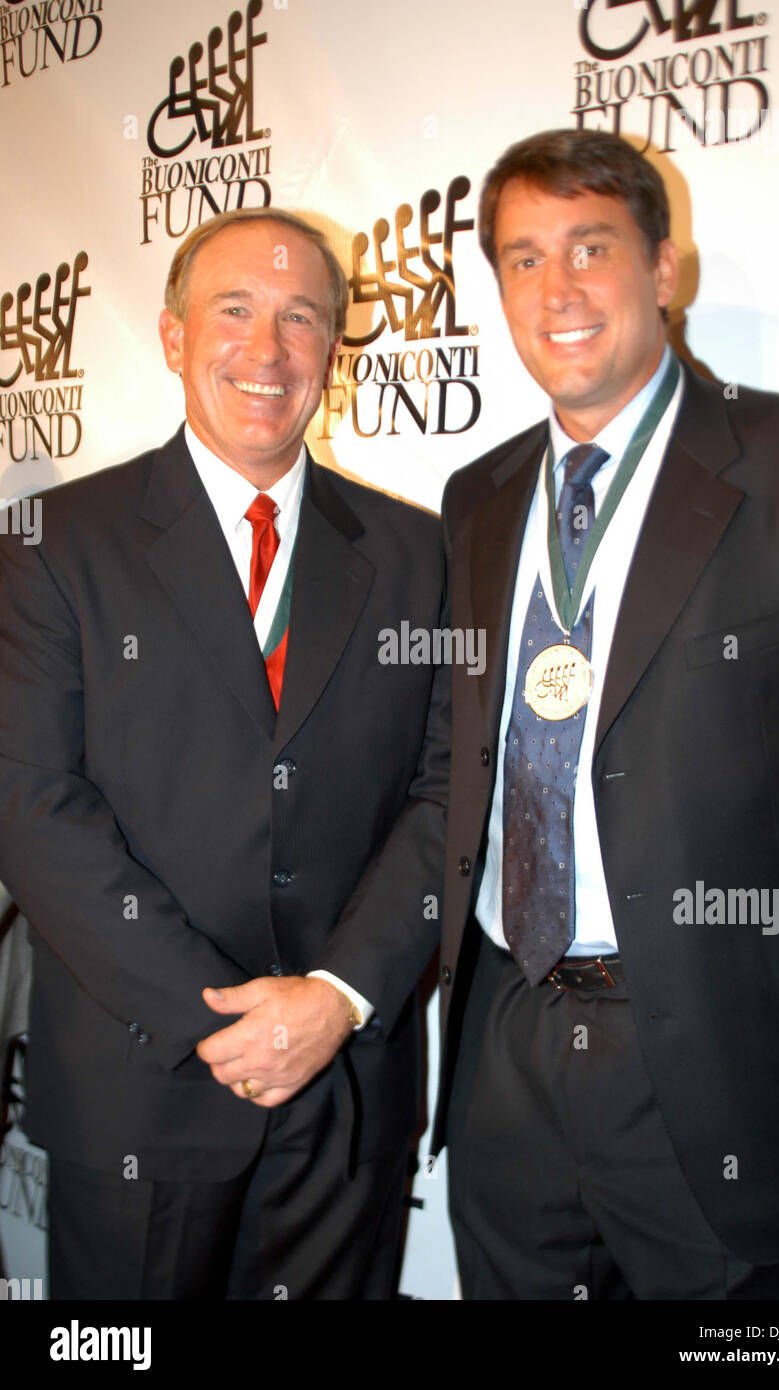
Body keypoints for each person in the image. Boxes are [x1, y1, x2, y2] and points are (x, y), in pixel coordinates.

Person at [432, 128, 779, 1300]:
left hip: (724, 1061)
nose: (557, 289)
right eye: (522, 259)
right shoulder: (475, 498)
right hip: (507, 1046)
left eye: (591, 247)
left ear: (664, 269)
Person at [0, 208, 446, 1300]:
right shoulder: (52, 545)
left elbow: (449, 795)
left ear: (334, 352)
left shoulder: (416, 552)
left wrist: (336, 997)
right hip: (138, 1092)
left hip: (347, 1096)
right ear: (169, 335)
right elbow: (31, 806)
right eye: (234, 310)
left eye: (301, 319)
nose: (268, 349)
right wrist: (230, 1023)